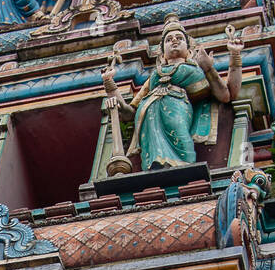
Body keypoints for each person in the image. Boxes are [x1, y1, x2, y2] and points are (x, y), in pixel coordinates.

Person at [101, 15, 242, 170]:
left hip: (178, 109)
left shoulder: (194, 70)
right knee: (155, 156)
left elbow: (226, 95)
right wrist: (110, 85)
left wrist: (226, 60)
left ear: (189, 50)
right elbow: (129, 113)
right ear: (162, 54)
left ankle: (182, 167)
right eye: (169, 40)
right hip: (149, 117)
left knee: (181, 141)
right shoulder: (155, 76)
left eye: (179, 38)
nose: (174, 41)